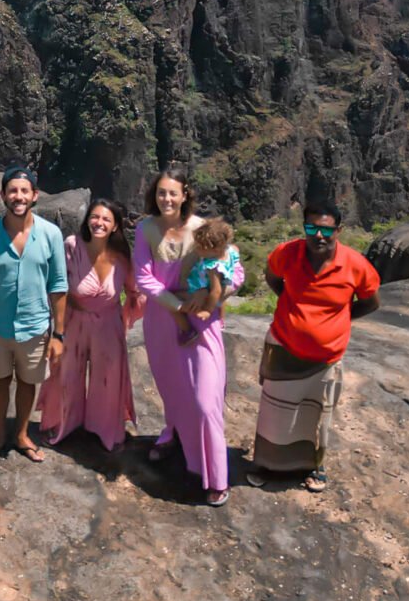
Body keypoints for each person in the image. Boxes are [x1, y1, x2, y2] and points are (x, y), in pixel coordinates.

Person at [247, 201, 381, 494]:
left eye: (325, 229)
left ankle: (313, 466)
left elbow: (371, 302)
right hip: (284, 345)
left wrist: (340, 319)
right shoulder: (288, 254)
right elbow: (273, 278)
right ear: (304, 228)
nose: (318, 235)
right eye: (311, 228)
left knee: (317, 414)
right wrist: (292, 307)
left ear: (338, 230)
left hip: (326, 357)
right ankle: (265, 463)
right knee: (274, 412)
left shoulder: (355, 265)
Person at [132, 166, 245, 507]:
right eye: (161, 192)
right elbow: (143, 276)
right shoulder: (145, 229)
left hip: (202, 319)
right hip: (163, 318)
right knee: (173, 387)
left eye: (172, 193)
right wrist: (176, 307)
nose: (166, 199)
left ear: (185, 195)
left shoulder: (204, 231)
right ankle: (174, 434)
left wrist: (213, 298)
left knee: (205, 400)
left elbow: (236, 271)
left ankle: (216, 476)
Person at [0, 164, 68, 464]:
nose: (18, 196)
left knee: (27, 382)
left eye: (24, 191)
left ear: (35, 195)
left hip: (35, 328)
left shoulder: (50, 235)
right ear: (3, 195)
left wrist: (59, 335)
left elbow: (58, 286)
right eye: (13, 191)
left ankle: (22, 434)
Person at [37, 198, 144, 452]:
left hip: (108, 324)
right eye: (95, 217)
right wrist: (57, 330)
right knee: (67, 374)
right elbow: (58, 286)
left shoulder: (121, 255)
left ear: (116, 226)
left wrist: (129, 316)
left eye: (106, 219)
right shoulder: (72, 246)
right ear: (87, 220)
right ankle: (62, 423)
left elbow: (134, 290)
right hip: (74, 320)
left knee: (107, 379)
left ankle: (105, 429)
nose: (99, 223)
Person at [175, 218, 240, 347]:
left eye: (200, 247)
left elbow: (216, 290)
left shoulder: (213, 266)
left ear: (215, 250)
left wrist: (207, 311)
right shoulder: (230, 250)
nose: (197, 250)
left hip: (203, 287)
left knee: (173, 299)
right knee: (221, 301)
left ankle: (187, 330)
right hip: (223, 283)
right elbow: (236, 250)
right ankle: (220, 320)